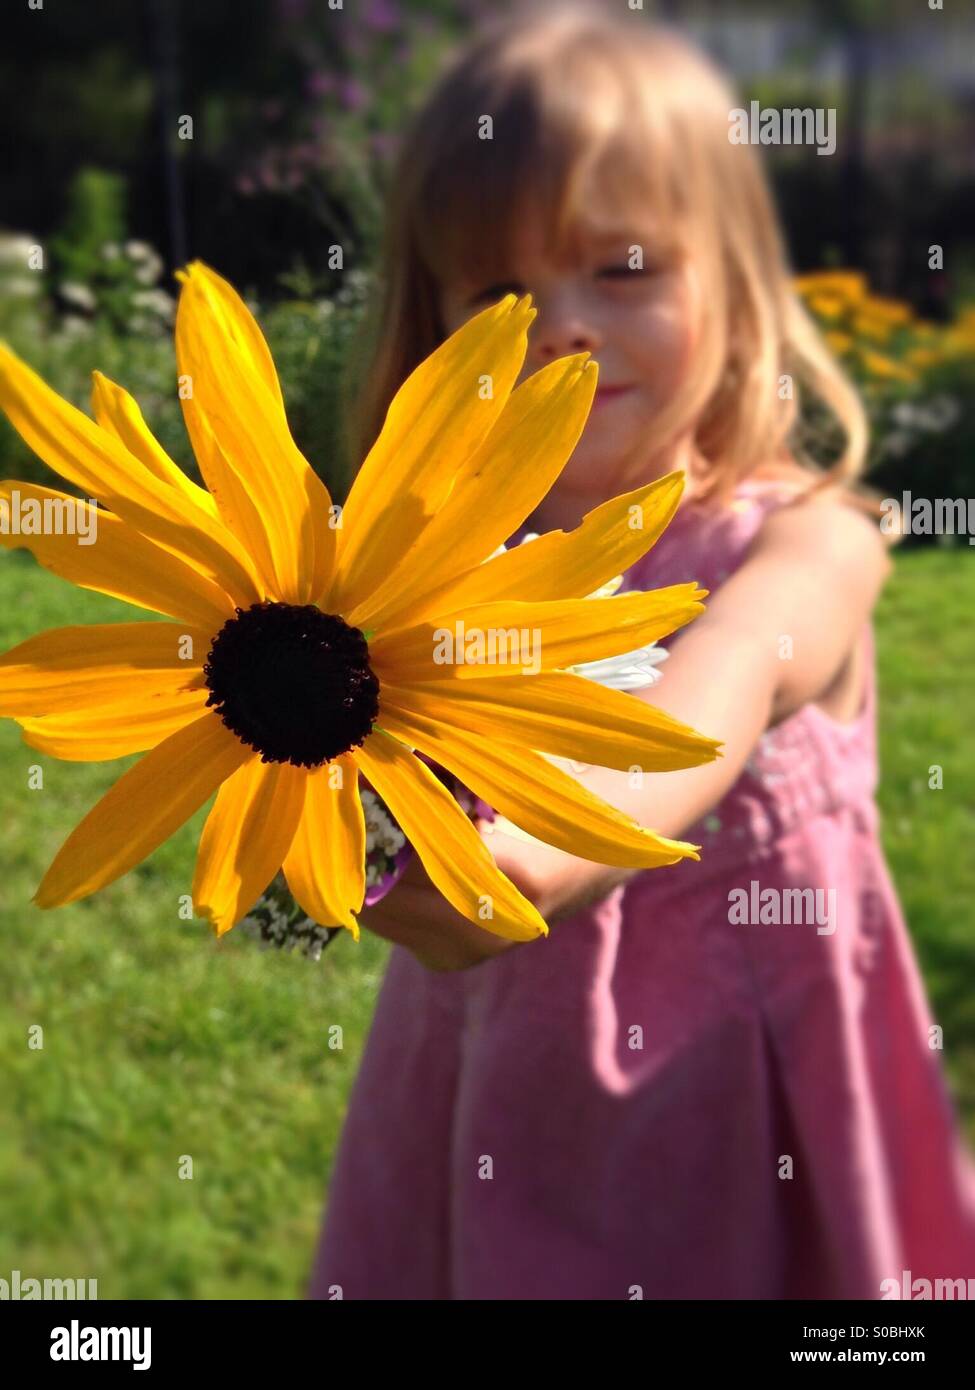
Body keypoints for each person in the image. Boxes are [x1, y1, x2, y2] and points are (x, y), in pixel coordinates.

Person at [307, 4, 975, 1299]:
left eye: (622, 266)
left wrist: (549, 846)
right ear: (434, 321)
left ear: (730, 278)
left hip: (731, 1087)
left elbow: (722, 687)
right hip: (492, 1065)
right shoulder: (427, 571)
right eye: (501, 289)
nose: (560, 323)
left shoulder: (808, 545)